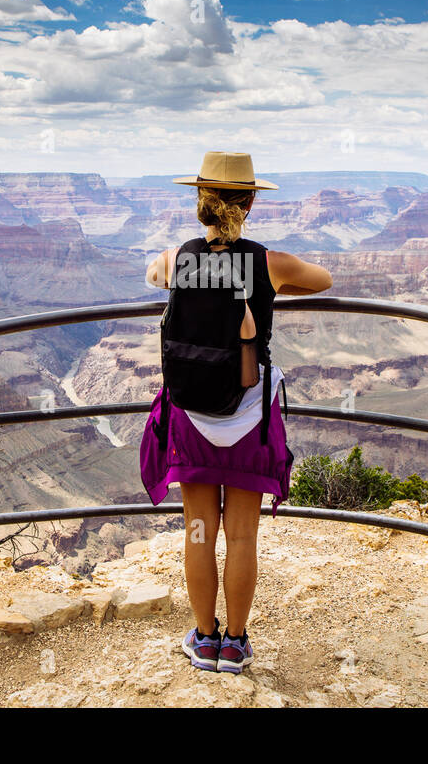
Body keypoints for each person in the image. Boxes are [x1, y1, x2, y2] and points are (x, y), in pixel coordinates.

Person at [141, 151, 332, 674]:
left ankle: (204, 639)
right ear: (249, 203)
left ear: (200, 203)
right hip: (249, 414)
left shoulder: (173, 258)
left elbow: (153, 275)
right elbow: (325, 280)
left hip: (191, 414)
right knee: (242, 535)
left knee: (198, 529)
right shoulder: (270, 264)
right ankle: (236, 643)